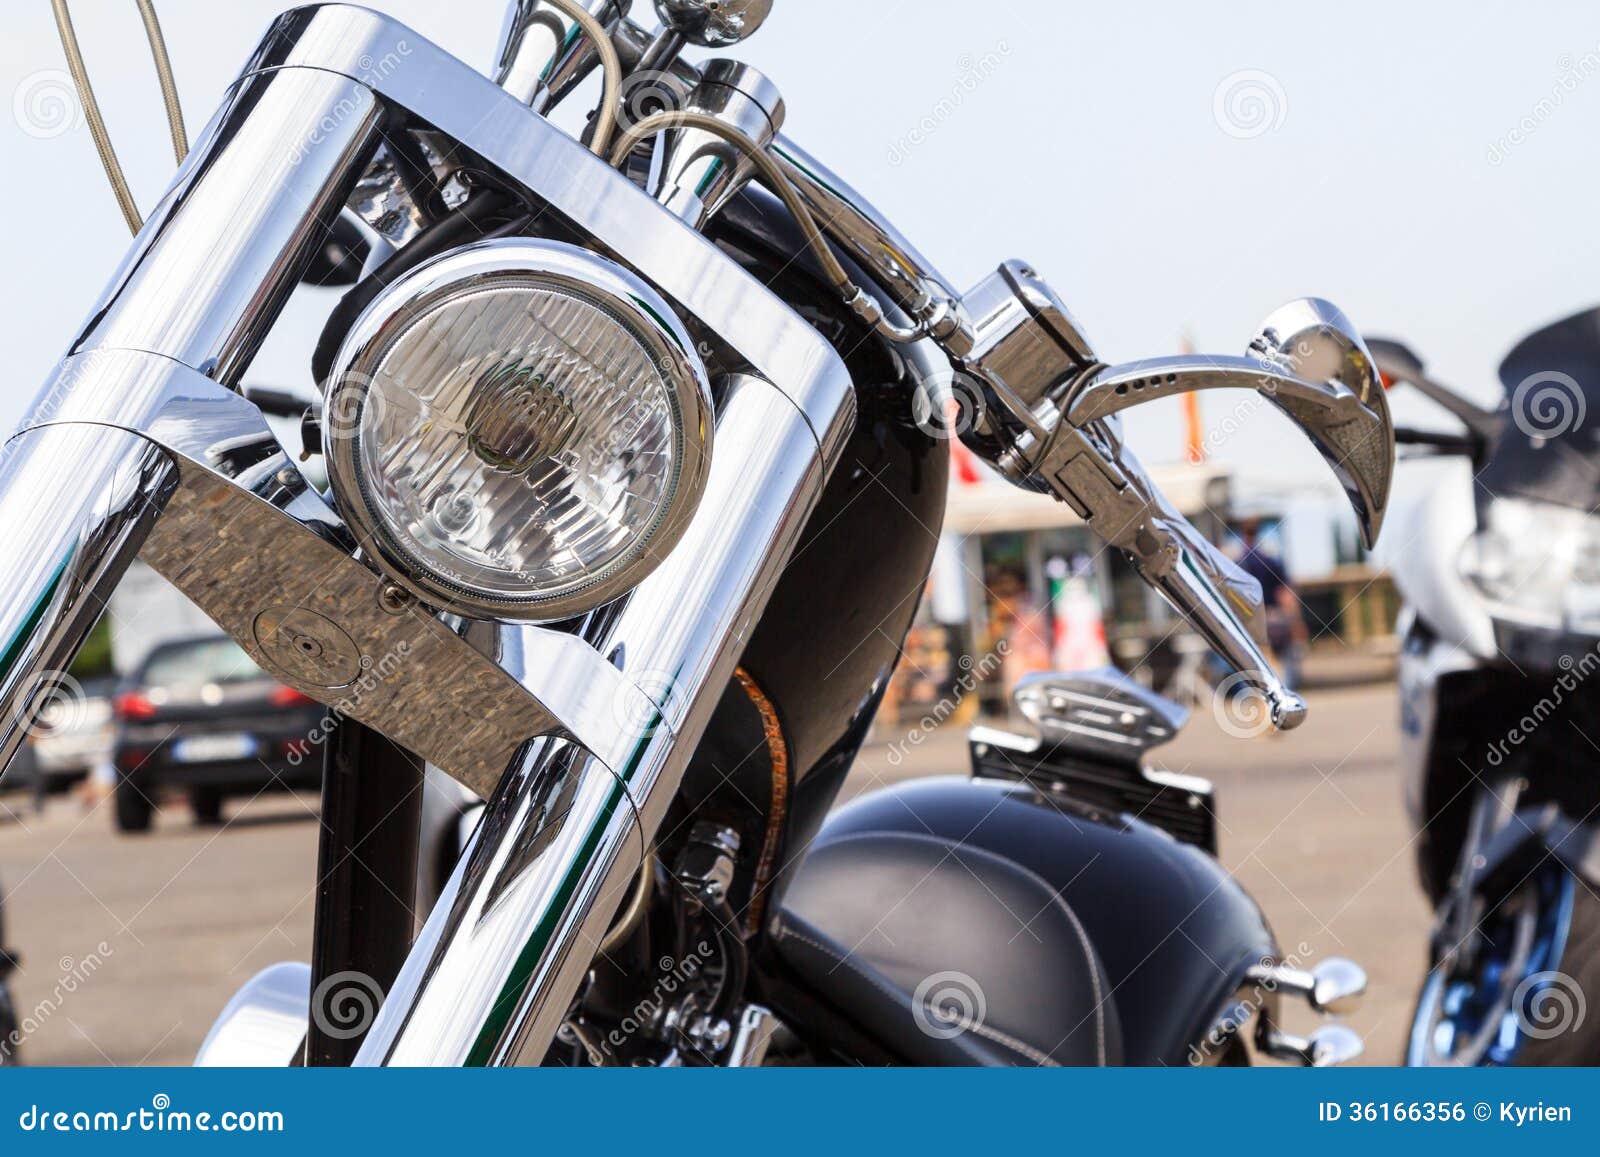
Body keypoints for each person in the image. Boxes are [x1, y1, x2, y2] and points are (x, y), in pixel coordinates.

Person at [1235, 518, 1308, 691]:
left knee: (1254, 664)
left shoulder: (1237, 564)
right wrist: (1296, 621)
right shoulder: (1271, 561)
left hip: (1252, 620)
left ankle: (1260, 697)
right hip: (1275, 617)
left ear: (1242, 534)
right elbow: (1286, 595)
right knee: (1283, 660)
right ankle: (1286, 693)